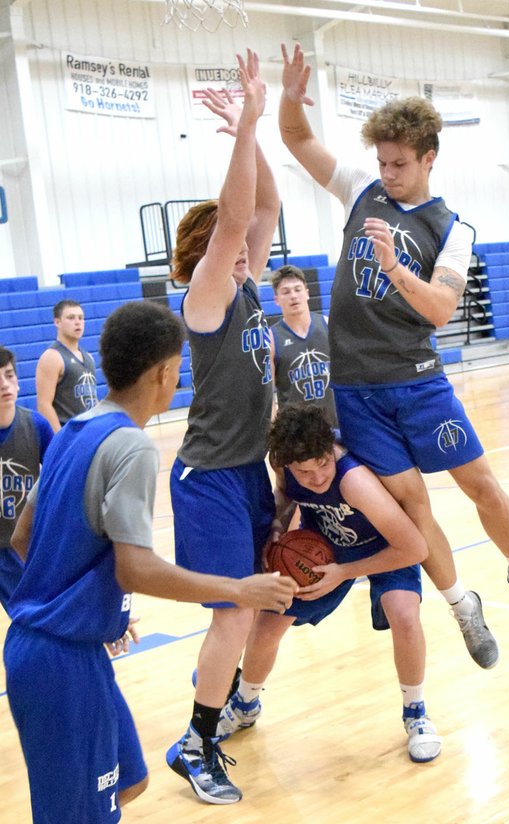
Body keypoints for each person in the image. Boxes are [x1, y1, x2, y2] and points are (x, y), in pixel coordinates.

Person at [277, 43, 509, 670]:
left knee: (480, 484)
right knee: (414, 504)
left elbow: (440, 308)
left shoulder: (452, 227)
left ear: (429, 157)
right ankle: (462, 602)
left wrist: (393, 268)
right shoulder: (361, 189)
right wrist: (287, 101)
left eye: (400, 163)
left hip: (418, 383)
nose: (387, 172)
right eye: (381, 162)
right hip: (356, 389)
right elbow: (297, 139)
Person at [3, 300, 297, 824]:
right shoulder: (133, 446)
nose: (181, 372)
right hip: (60, 663)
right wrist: (240, 590)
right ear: (164, 372)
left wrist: (91, 610)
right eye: (180, 363)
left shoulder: (76, 428)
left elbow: (23, 537)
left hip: (67, 647)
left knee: (130, 780)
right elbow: (133, 569)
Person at [166, 51, 283, 806]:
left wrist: (253, 133)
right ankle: (195, 742)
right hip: (208, 475)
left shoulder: (244, 286)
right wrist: (242, 129)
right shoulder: (205, 298)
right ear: (209, 249)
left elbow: (263, 210)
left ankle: (224, 702)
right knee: (237, 609)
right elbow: (240, 216)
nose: (245, 248)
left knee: (257, 609)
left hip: (248, 473)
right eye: (228, 243)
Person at [216, 404, 442, 763]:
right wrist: (277, 523)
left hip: (386, 548)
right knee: (268, 622)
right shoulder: (284, 467)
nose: (318, 477)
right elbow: (285, 495)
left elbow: (415, 547)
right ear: (286, 463)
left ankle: (416, 714)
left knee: (404, 614)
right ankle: (245, 704)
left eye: (323, 463)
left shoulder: (354, 482)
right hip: (324, 550)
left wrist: (345, 573)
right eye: (304, 472)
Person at [0, 346, 53, 610]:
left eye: (8, 375)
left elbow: (60, 481)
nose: (4, 385)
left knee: (34, 619)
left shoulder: (36, 427)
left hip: (20, 545)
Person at [269, 264, 337, 424]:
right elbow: (268, 395)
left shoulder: (327, 324)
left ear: (307, 293)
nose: (293, 296)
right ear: (276, 300)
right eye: (286, 292)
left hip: (335, 424)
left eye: (298, 289)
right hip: (296, 431)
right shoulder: (271, 338)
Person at [35, 299, 98, 432]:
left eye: (81, 318)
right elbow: (44, 405)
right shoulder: (52, 357)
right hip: (70, 435)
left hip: (90, 433)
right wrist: (60, 440)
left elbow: (92, 398)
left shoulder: (89, 357)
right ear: (57, 322)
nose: (77, 322)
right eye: (71, 318)